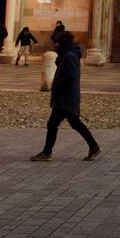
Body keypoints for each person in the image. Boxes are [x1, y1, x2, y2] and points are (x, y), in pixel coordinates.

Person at [30, 31, 100, 162]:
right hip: (66, 97)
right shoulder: (68, 55)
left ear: (62, 43)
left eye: (57, 43)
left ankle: (47, 152)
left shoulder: (70, 56)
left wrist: (59, 85)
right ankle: (93, 146)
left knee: (53, 124)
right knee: (74, 123)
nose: (55, 45)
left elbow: (71, 76)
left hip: (65, 98)